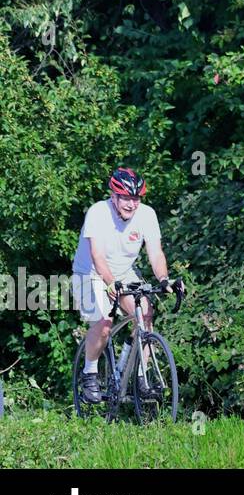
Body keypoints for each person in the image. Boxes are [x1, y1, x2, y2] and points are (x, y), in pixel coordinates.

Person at [71, 167, 182, 403]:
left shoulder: (147, 215)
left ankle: (140, 376)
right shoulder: (98, 213)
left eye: (136, 199)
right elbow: (97, 256)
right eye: (126, 198)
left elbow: (155, 253)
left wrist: (164, 280)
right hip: (89, 273)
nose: (131, 204)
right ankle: (89, 373)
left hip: (124, 272)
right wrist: (110, 284)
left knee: (146, 315)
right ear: (114, 196)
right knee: (104, 323)